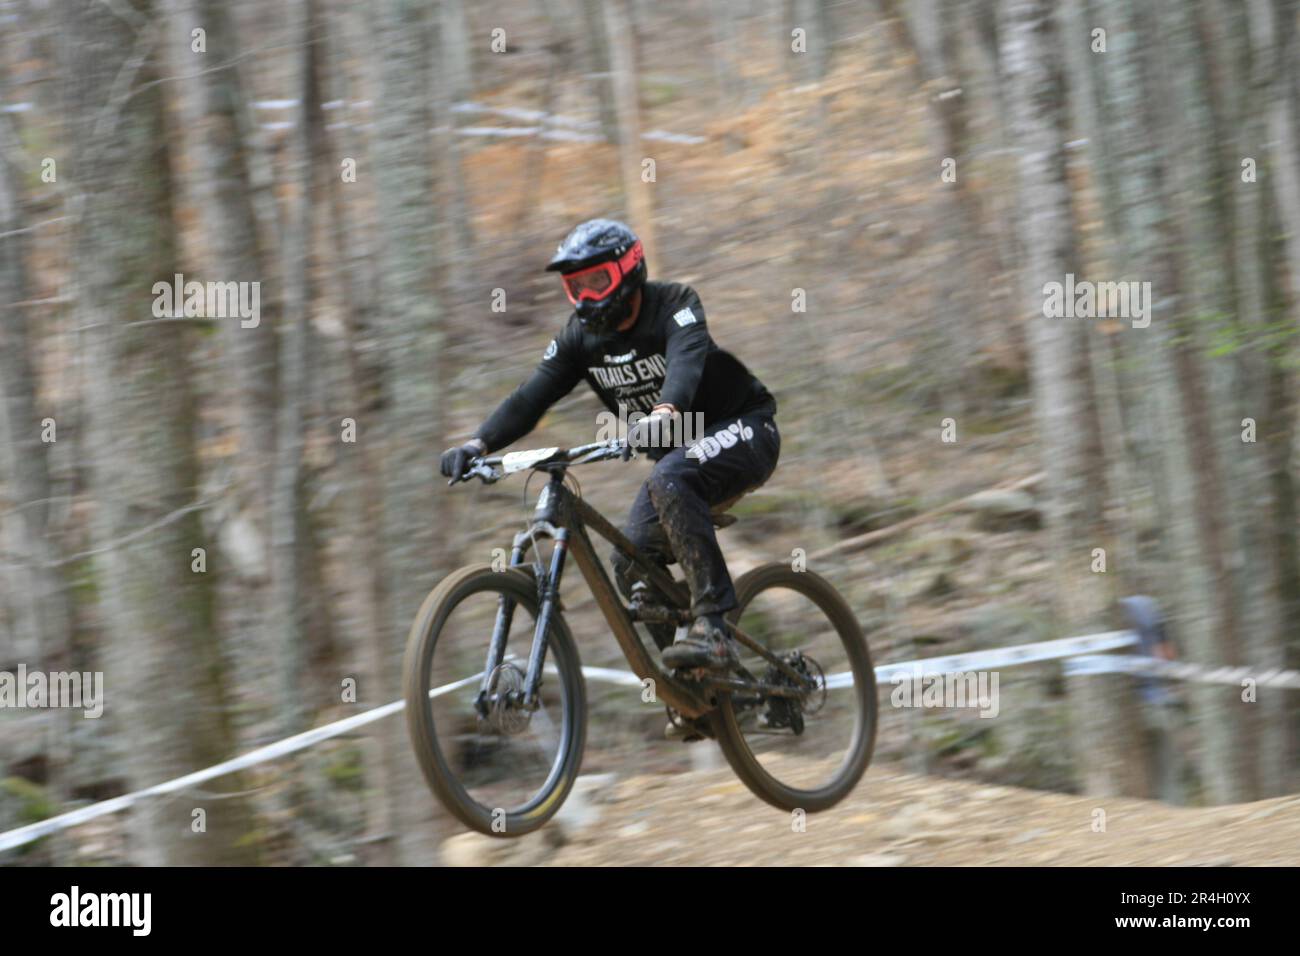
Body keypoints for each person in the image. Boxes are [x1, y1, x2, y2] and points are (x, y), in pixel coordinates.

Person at [440, 218, 779, 671]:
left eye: (596, 281)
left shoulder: (675, 304)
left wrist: (666, 412)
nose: (585, 297)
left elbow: (685, 363)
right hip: (677, 462)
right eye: (575, 286)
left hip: (744, 428)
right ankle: (692, 685)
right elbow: (530, 397)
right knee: (629, 558)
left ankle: (713, 629)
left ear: (630, 269)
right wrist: (477, 444)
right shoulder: (579, 338)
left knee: (671, 477)